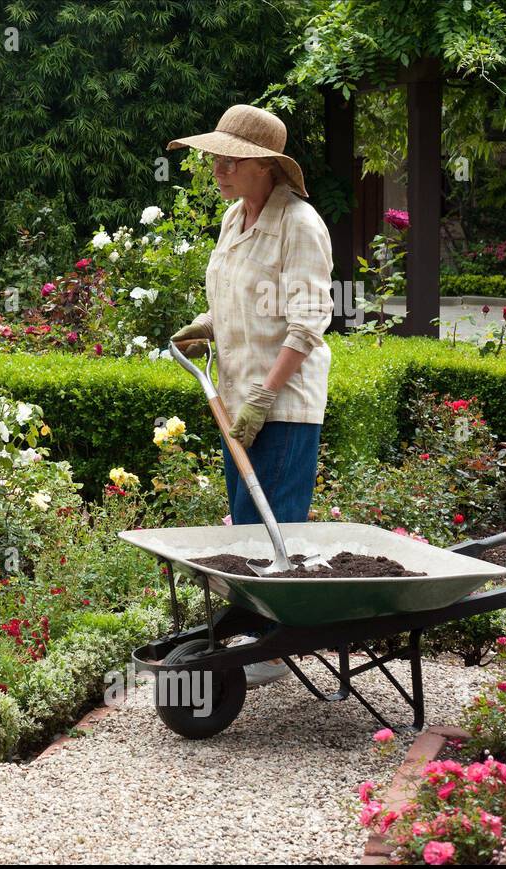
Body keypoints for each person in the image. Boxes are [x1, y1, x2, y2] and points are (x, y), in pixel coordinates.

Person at [166, 104, 334, 687]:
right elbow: (238, 300)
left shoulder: (300, 224)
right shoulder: (235, 219)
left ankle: (273, 647)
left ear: (265, 166)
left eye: (229, 158)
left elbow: (308, 323)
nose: (217, 166)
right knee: (244, 525)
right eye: (214, 156)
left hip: (282, 404)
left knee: (274, 525)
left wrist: (265, 396)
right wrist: (206, 324)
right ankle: (252, 634)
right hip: (236, 399)